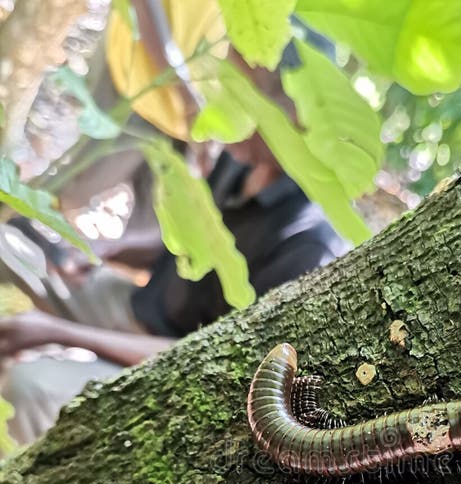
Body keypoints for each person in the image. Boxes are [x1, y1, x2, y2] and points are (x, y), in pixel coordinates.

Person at [0, 13, 347, 449]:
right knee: (11, 244)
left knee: (31, 388)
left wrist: (59, 334)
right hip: (134, 308)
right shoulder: (237, 161)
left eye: (243, 92)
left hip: (164, 363)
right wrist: (106, 249)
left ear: (293, 114)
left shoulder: (306, 244)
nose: (216, 100)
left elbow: (213, 361)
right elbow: (191, 248)